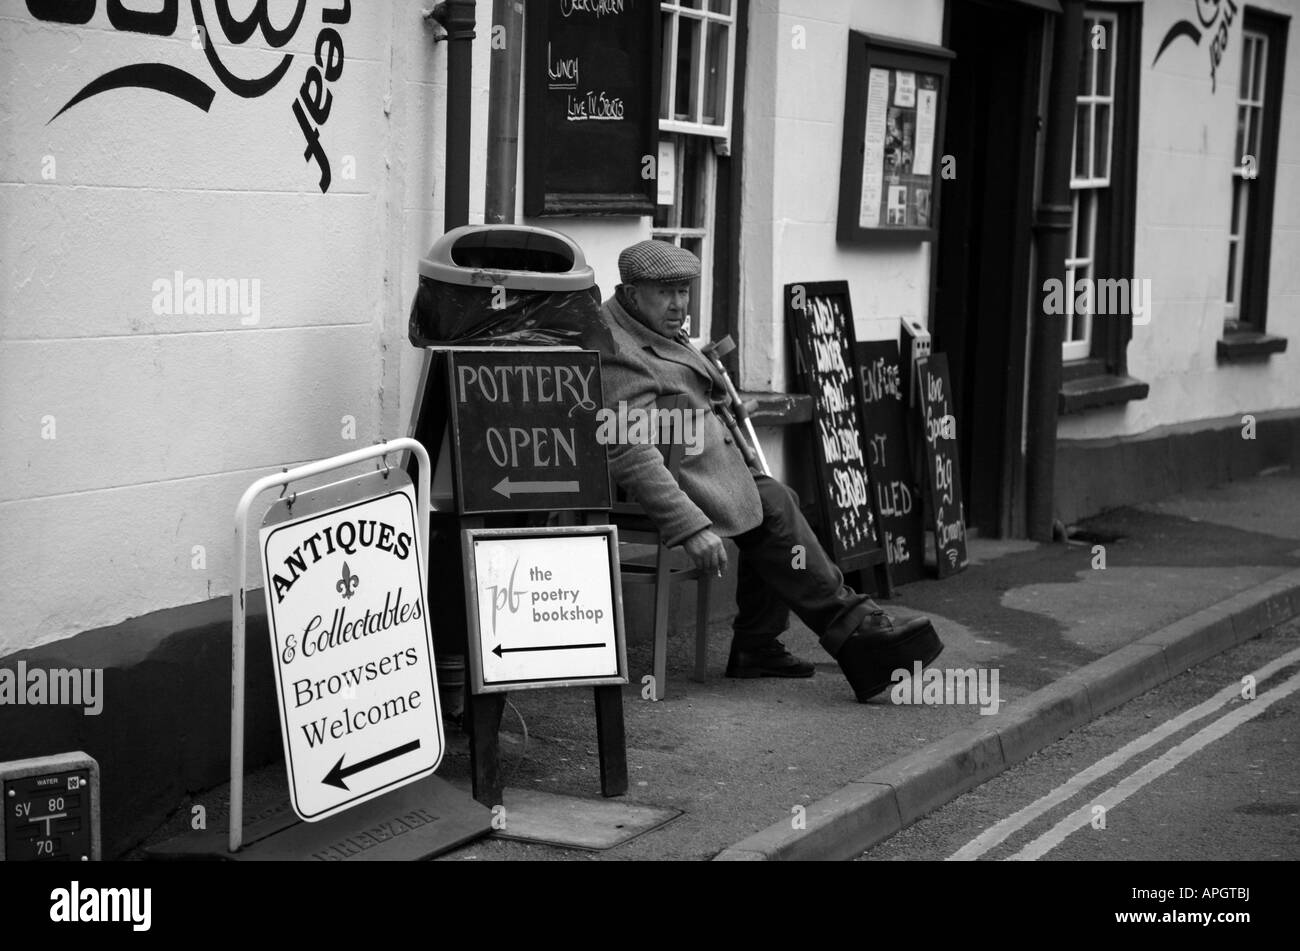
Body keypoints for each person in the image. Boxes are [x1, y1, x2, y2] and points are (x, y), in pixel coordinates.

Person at [595, 240, 943, 703]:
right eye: (666, 292)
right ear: (631, 293)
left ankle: (759, 646)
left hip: (707, 466)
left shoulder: (650, 325)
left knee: (779, 501)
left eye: (684, 290)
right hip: (669, 482)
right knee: (774, 505)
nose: (679, 303)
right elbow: (629, 451)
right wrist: (690, 527)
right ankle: (853, 628)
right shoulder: (620, 347)